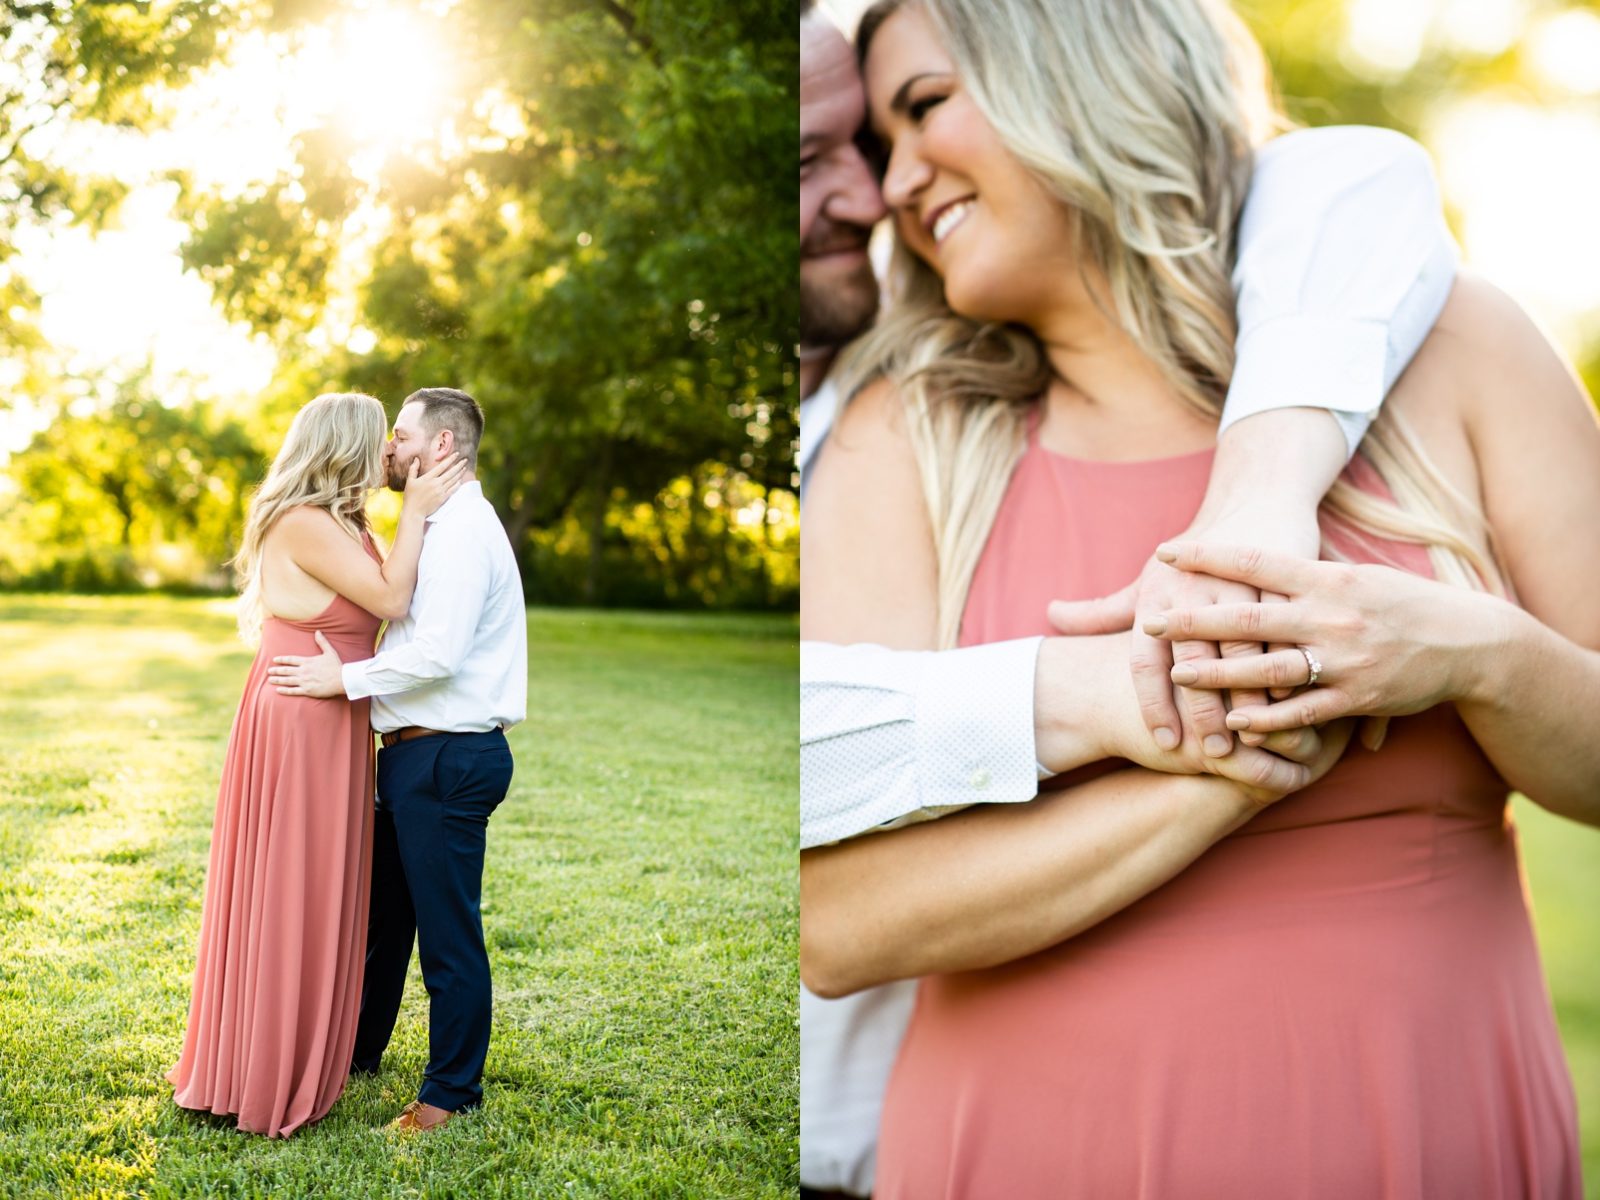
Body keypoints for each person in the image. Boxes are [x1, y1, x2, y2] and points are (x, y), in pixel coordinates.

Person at [802, 0, 1594, 1194]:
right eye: (878, 145)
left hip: (1427, 1130)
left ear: (1078, 72)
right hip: (1029, 1151)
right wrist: (1239, 748)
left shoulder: (1461, 345)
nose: (897, 181)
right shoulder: (903, 439)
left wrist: (1469, 651)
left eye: (922, 109)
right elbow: (842, 923)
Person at [166, 391, 467, 1138]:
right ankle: (262, 1067)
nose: (392, 456)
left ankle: (290, 1048)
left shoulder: (346, 523)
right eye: (383, 442)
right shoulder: (305, 523)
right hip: (303, 722)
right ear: (348, 447)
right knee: (290, 889)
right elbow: (394, 599)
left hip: (334, 718)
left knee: (320, 888)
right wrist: (422, 508)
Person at [268, 387, 527, 1134]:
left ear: (439, 448)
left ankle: (448, 1096)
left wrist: (341, 680)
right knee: (386, 923)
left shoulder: (462, 533)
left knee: (448, 936)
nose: (388, 450)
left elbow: (439, 655)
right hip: (413, 758)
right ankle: (357, 1055)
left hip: (447, 758)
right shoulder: (433, 527)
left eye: (401, 436)